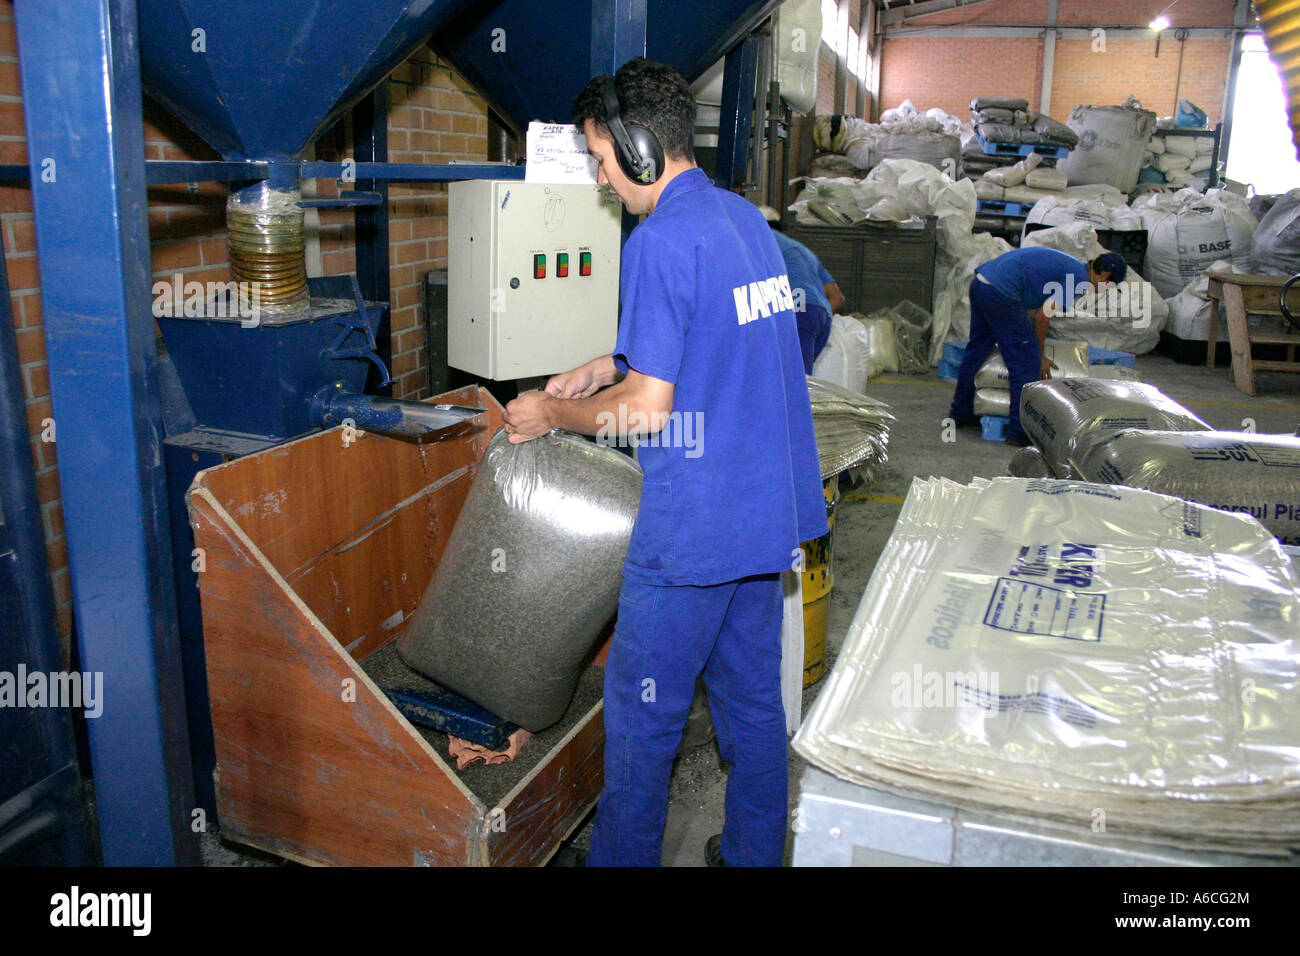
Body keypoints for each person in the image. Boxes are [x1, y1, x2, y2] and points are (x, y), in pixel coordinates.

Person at [502, 57, 825, 867]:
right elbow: (706, 334)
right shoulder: (742, 221)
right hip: (765, 516)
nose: (605, 182)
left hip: (691, 538)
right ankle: (756, 853)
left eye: (603, 161)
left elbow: (650, 413)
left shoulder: (658, 241)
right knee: (752, 704)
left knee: (644, 720)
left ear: (640, 147)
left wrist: (554, 411)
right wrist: (606, 362)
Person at [948, 247, 1128, 446]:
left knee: (976, 351)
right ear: (1104, 275)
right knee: (1026, 362)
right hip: (1001, 293)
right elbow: (1043, 317)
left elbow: (1034, 301)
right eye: (1108, 285)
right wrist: (1040, 356)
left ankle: (960, 413)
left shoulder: (1072, 265)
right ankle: (1019, 432)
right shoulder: (1077, 279)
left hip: (982, 283)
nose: (1104, 290)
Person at [758, 206, 845, 373]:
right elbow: (836, 297)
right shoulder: (801, 250)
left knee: (791, 382)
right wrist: (811, 313)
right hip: (821, 316)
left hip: (796, 312)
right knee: (799, 380)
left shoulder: (762, 242)